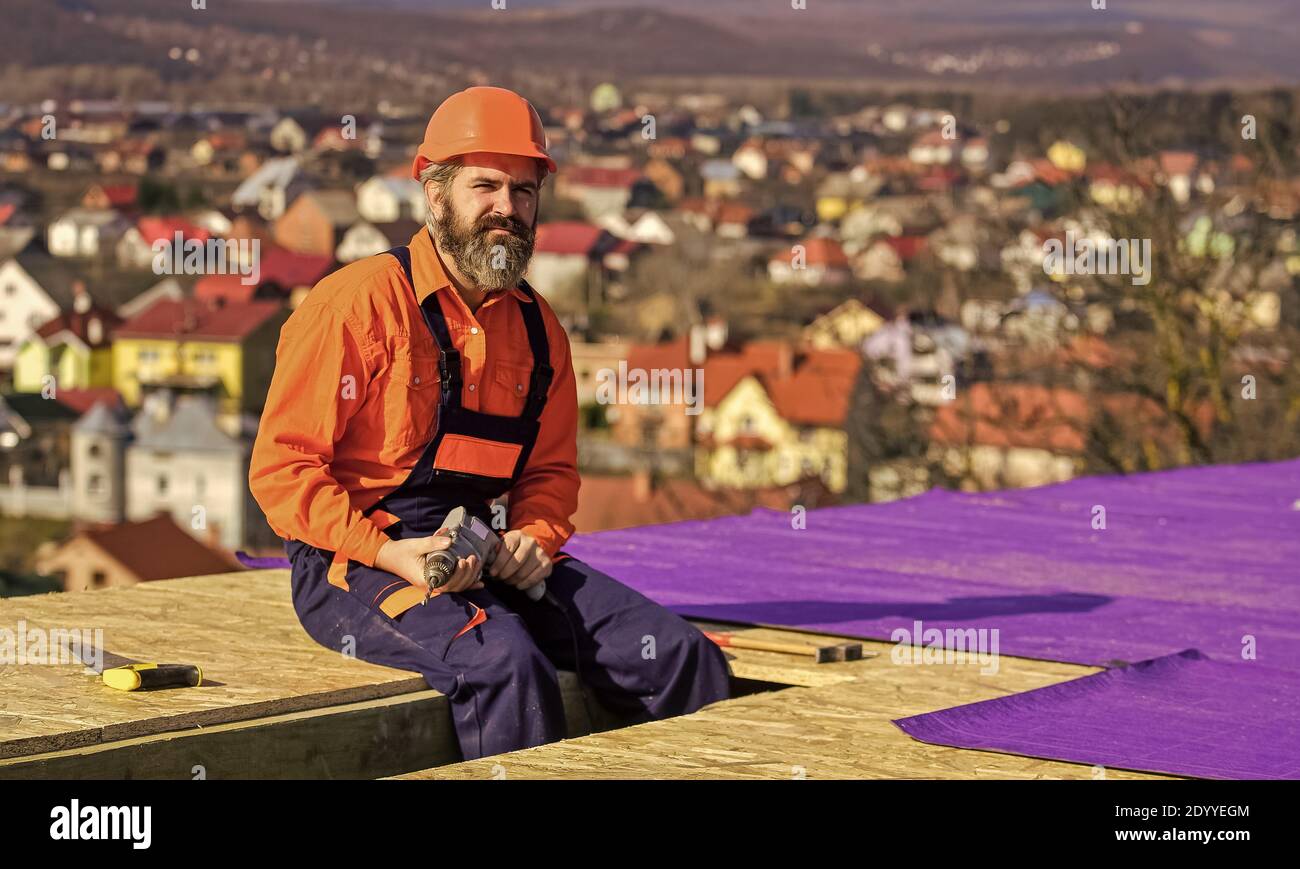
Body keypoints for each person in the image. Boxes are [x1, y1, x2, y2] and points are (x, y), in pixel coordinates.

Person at [248, 86, 731, 761]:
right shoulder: (354, 308)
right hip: (353, 559)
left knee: (679, 657)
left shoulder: (541, 335)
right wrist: (392, 554)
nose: (507, 207)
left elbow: (552, 473)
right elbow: (282, 472)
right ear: (436, 193)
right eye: (486, 186)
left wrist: (534, 535)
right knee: (507, 666)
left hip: (482, 551)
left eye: (524, 190)